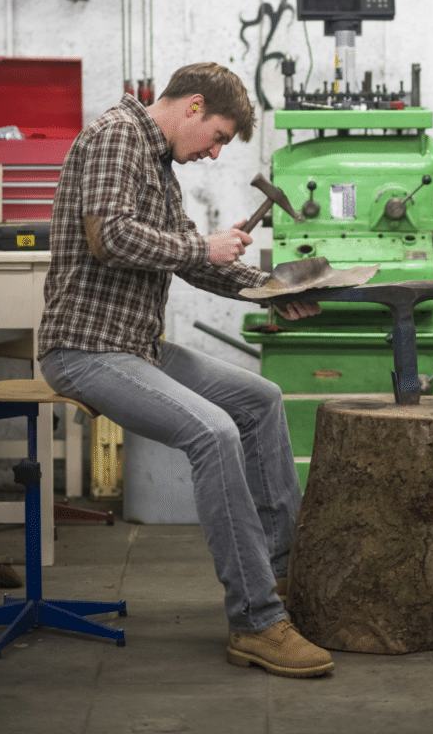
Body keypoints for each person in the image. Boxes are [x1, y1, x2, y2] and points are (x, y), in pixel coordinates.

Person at [38, 62, 334, 678]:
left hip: (136, 346)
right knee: (214, 433)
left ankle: (283, 576)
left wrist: (271, 290)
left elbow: (196, 265)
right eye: (218, 136)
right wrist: (204, 245)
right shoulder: (117, 136)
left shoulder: (160, 167)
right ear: (193, 106)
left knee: (259, 399)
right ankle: (256, 621)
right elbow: (110, 238)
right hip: (86, 350)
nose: (215, 152)